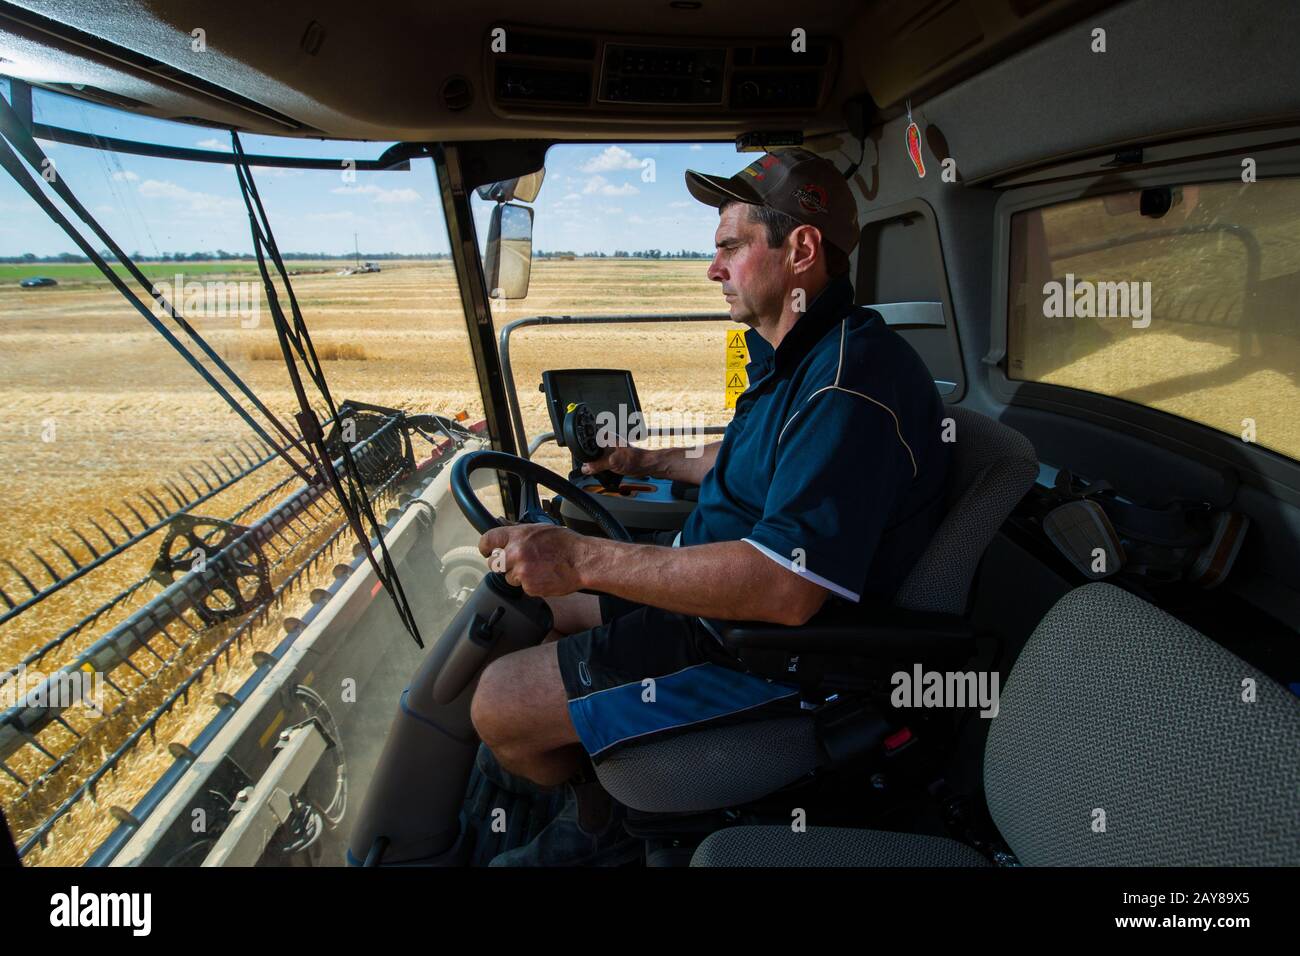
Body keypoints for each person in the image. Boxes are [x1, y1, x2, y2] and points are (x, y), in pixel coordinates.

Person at [471, 148, 953, 865]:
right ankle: (592, 785)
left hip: (760, 650)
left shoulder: (848, 388)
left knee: (497, 704)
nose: (713, 268)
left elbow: (785, 589)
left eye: (730, 245)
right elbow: (753, 465)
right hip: (709, 599)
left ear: (802, 250)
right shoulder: (804, 352)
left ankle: (604, 832)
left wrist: (582, 557)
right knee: (526, 616)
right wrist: (645, 460)